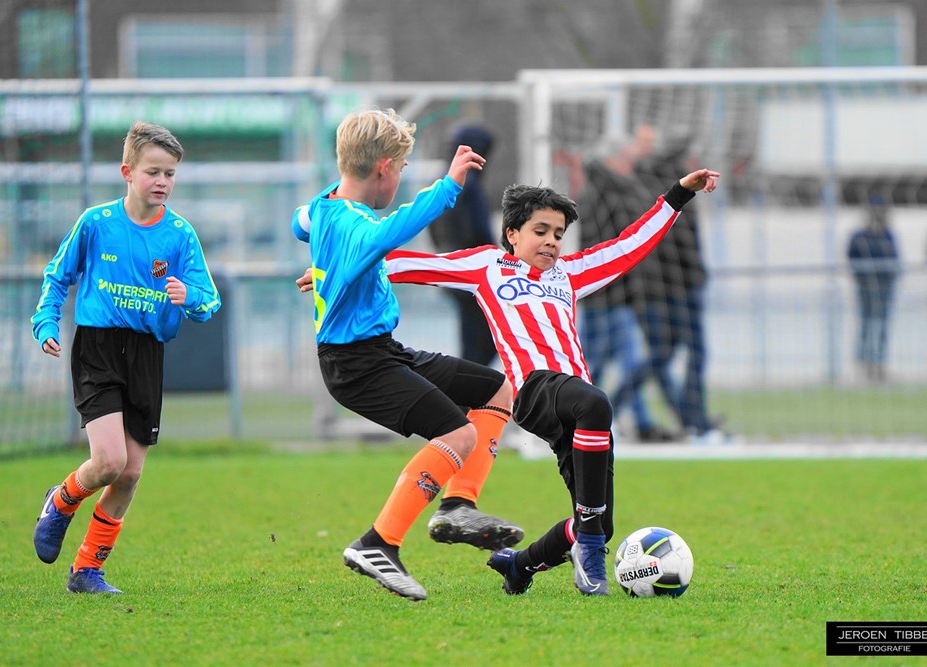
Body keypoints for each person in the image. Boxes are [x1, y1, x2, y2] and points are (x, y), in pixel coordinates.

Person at [381, 168, 720, 596]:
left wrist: (677, 195)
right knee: (597, 405)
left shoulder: (570, 273)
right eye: (540, 231)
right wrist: (330, 276)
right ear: (512, 234)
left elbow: (631, 245)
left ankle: (519, 566)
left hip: (576, 408)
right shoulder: (487, 266)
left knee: (595, 519)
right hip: (535, 391)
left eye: (558, 234)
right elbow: (406, 264)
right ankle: (591, 553)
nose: (551, 241)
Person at [291, 109, 521, 602]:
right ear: (384, 170)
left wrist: (329, 272)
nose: (400, 179)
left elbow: (300, 223)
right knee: (457, 433)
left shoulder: (324, 206)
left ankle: (458, 507)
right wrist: (448, 186)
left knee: (497, 388)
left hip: (382, 351)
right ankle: (378, 543)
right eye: (401, 169)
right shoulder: (355, 223)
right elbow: (388, 234)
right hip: (357, 364)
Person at [30, 121, 221, 594]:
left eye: (171, 174)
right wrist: (46, 322)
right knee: (110, 461)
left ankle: (87, 570)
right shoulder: (96, 223)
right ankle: (62, 499)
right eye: (153, 171)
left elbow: (208, 299)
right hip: (97, 346)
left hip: (146, 353)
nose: (162, 182)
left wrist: (188, 296)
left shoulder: (179, 234)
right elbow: (58, 277)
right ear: (127, 171)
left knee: (131, 473)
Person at [576, 129, 678, 443]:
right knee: (626, 360)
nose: (629, 165)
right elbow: (612, 249)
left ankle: (583, 417)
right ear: (612, 159)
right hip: (609, 295)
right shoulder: (606, 194)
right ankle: (641, 423)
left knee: (594, 363)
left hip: (603, 295)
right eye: (624, 159)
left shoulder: (599, 190)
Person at [621, 140, 726, 444]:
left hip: (665, 289)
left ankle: (694, 420)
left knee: (666, 355)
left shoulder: (657, 190)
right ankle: (696, 424)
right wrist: (697, 276)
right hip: (674, 290)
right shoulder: (671, 197)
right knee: (678, 354)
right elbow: (679, 247)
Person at [427, 123, 498, 366]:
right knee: (484, 344)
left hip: (452, 273)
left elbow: (432, 229)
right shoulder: (470, 187)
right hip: (474, 276)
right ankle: (466, 398)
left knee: (473, 341)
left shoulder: (442, 186)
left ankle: (467, 397)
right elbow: (480, 233)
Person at [847, 195, 900, 382]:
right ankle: (865, 366)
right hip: (866, 291)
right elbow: (852, 261)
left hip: (884, 291)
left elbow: (894, 262)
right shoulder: (859, 237)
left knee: (882, 327)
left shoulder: (888, 236)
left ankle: (879, 365)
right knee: (866, 326)